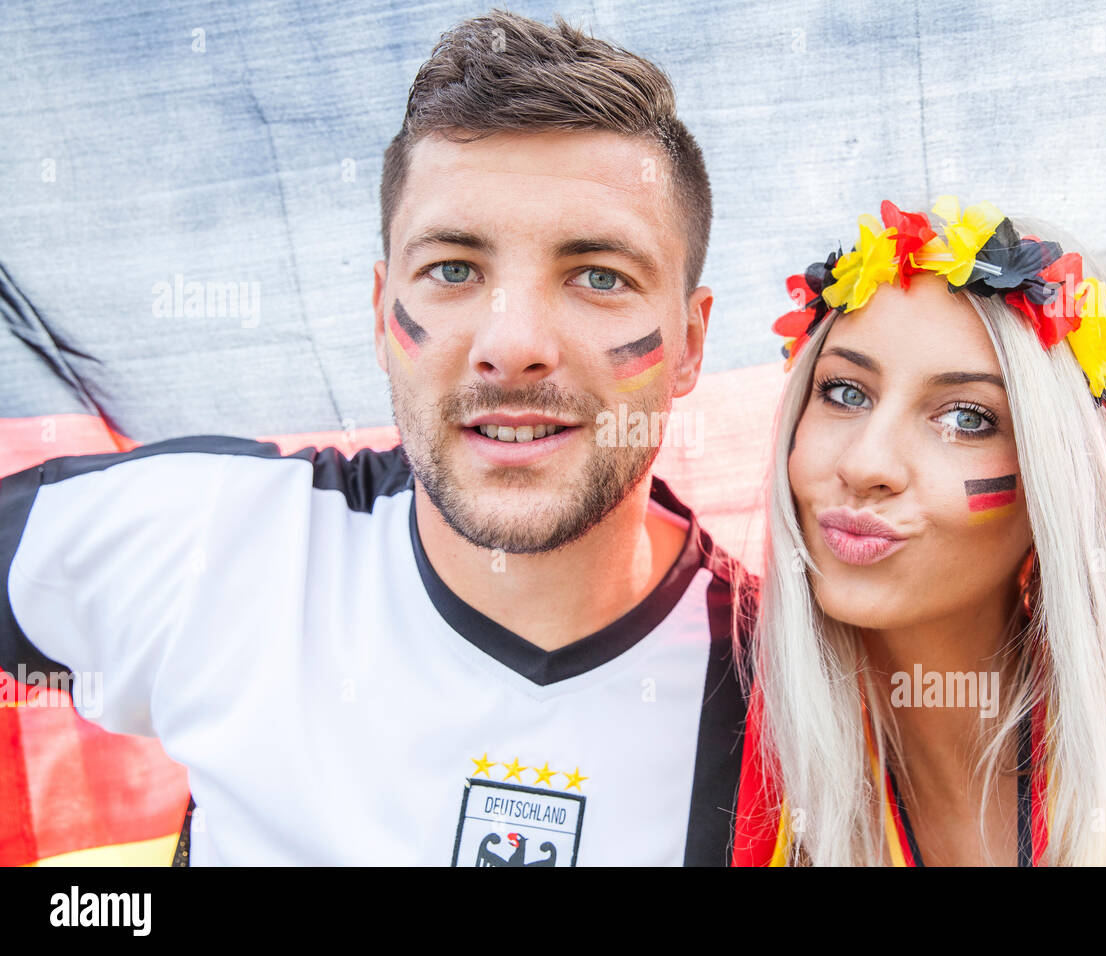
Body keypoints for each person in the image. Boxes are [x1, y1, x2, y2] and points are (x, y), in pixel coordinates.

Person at [0, 11, 755, 866]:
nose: (512, 344)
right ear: (378, 308)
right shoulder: (217, 542)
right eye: (454, 270)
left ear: (691, 341)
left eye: (598, 276)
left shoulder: (792, 696)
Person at [732, 198, 1106, 866]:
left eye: (967, 418)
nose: (865, 465)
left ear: (1056, 480)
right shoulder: (748, 747)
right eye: (846, 393)